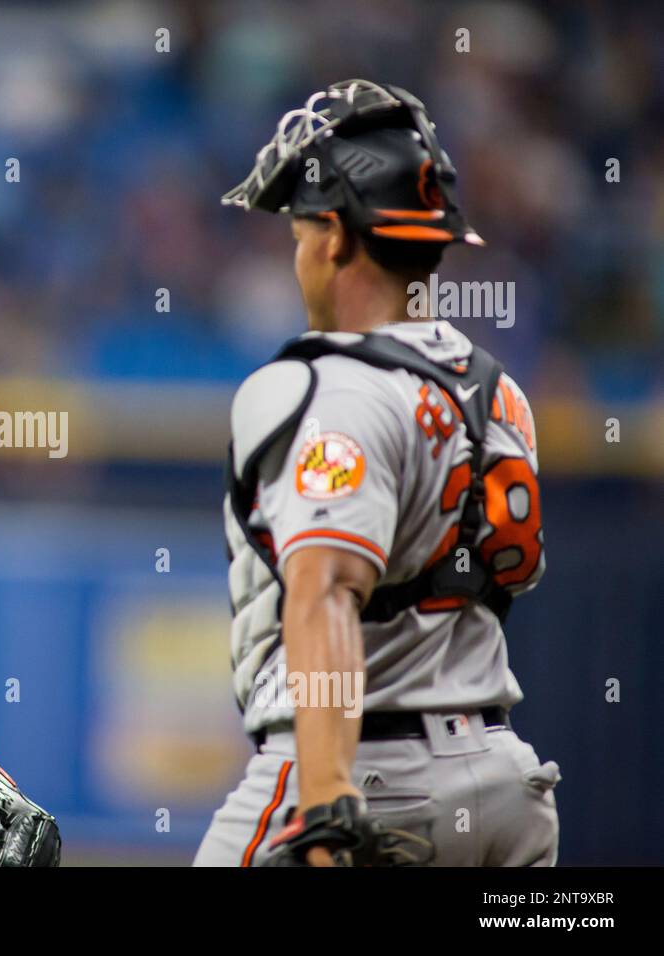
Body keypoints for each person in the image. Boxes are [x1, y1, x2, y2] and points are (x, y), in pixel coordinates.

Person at [196, 80, 559, 867]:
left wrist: (326, 802)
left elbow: (325, 587)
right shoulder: (500, 390)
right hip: (508, 786)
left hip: (367, 777)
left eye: (298, 232)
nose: (297, 255)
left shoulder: (318, 387)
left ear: (333, 234)